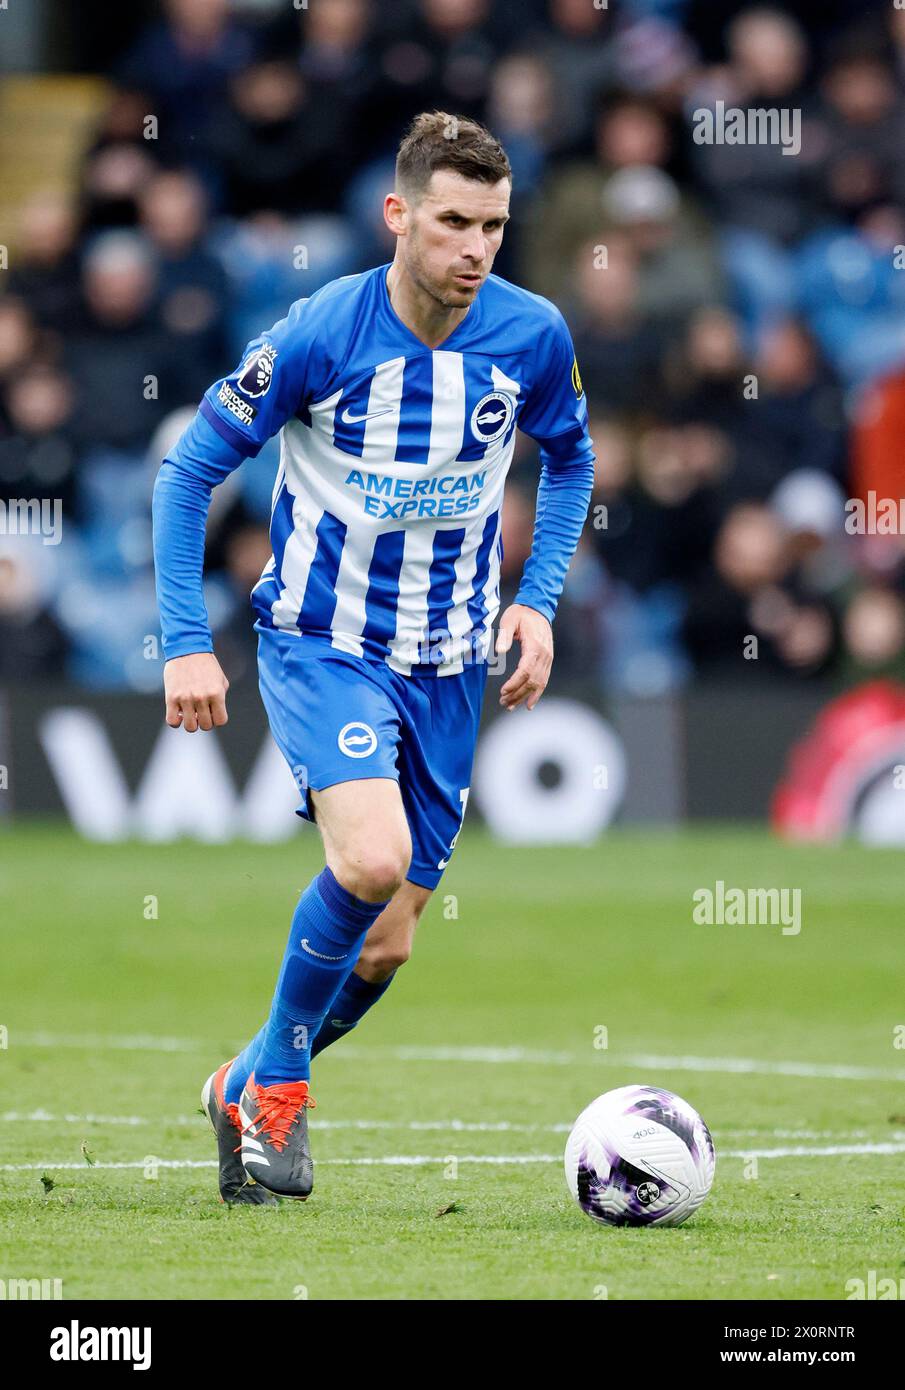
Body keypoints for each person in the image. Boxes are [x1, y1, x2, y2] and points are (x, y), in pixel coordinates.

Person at [152, 111, 594, 1204]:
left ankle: (240, 1083)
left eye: (492, 226)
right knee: (368, 860)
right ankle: (281, 1092)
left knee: (386, 943)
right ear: (397, 215)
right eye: (452, 222)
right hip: (324, 643)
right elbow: (186, 473)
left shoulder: (532, 335)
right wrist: (185, 643)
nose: (474, 247)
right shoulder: (319, 333)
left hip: (448, 665)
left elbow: (571, 459)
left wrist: (536, 602)